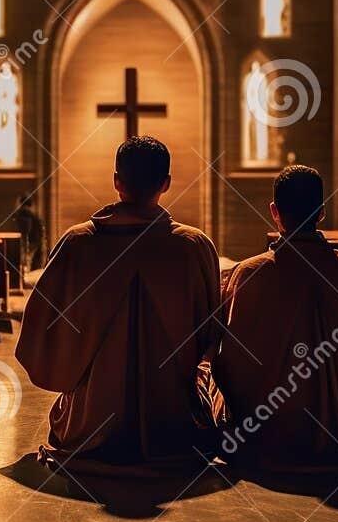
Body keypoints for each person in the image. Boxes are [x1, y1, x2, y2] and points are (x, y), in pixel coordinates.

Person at [16, 137, 220, 475]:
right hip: (173, 423)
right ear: (166, 183)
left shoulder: (77, 243)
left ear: (116, 181)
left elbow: (41, 332)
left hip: (89, 422)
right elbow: (212, 334)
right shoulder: (194, 247)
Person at [211, 165, 338, 473]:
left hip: (262, 435)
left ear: (274, 211)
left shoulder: (248, 274)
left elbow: (227, 365)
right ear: (322, 213)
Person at [12, 193, 45, 273]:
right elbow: (40, 236)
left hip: (20, 247)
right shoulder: (36, 218)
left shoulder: (16, 216)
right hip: (33, 247)